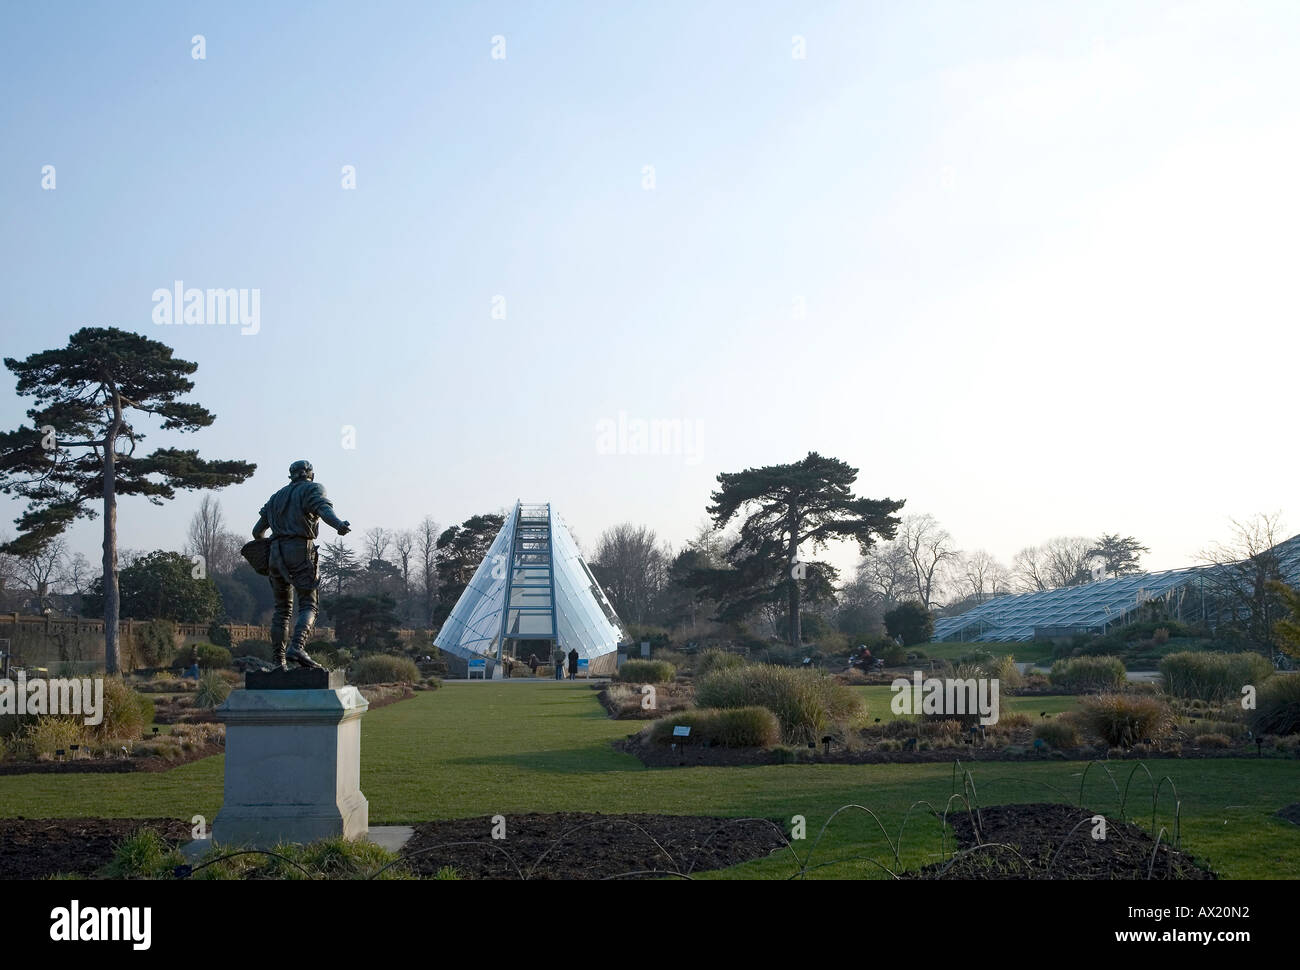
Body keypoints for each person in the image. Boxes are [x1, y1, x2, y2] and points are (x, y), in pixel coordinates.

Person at [252, 459, 351, 671]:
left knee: (282, 610)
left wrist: (270, 543)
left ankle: (279, 663)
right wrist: (339, 525)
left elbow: (257, 532)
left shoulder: (276, 497)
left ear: (291, 475)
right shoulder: (313, 489)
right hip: (299, 550)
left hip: (275, 555)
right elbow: (324, 510)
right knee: (309, 604)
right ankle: (296, 647)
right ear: (310, 474)